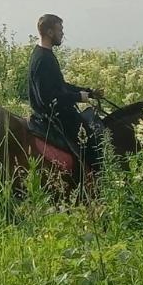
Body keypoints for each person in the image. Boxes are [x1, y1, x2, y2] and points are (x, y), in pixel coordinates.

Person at [26, 13, 104, 182]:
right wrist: (78, 97)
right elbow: (47, 97)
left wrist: (88, 92)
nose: (62, 33)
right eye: (59, 29)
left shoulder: (45, 54)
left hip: (56, 111)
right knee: (90, 137)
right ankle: (93, 181)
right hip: (53, 115)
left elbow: (59, 86)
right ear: (49, 32)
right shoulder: (42, 59)